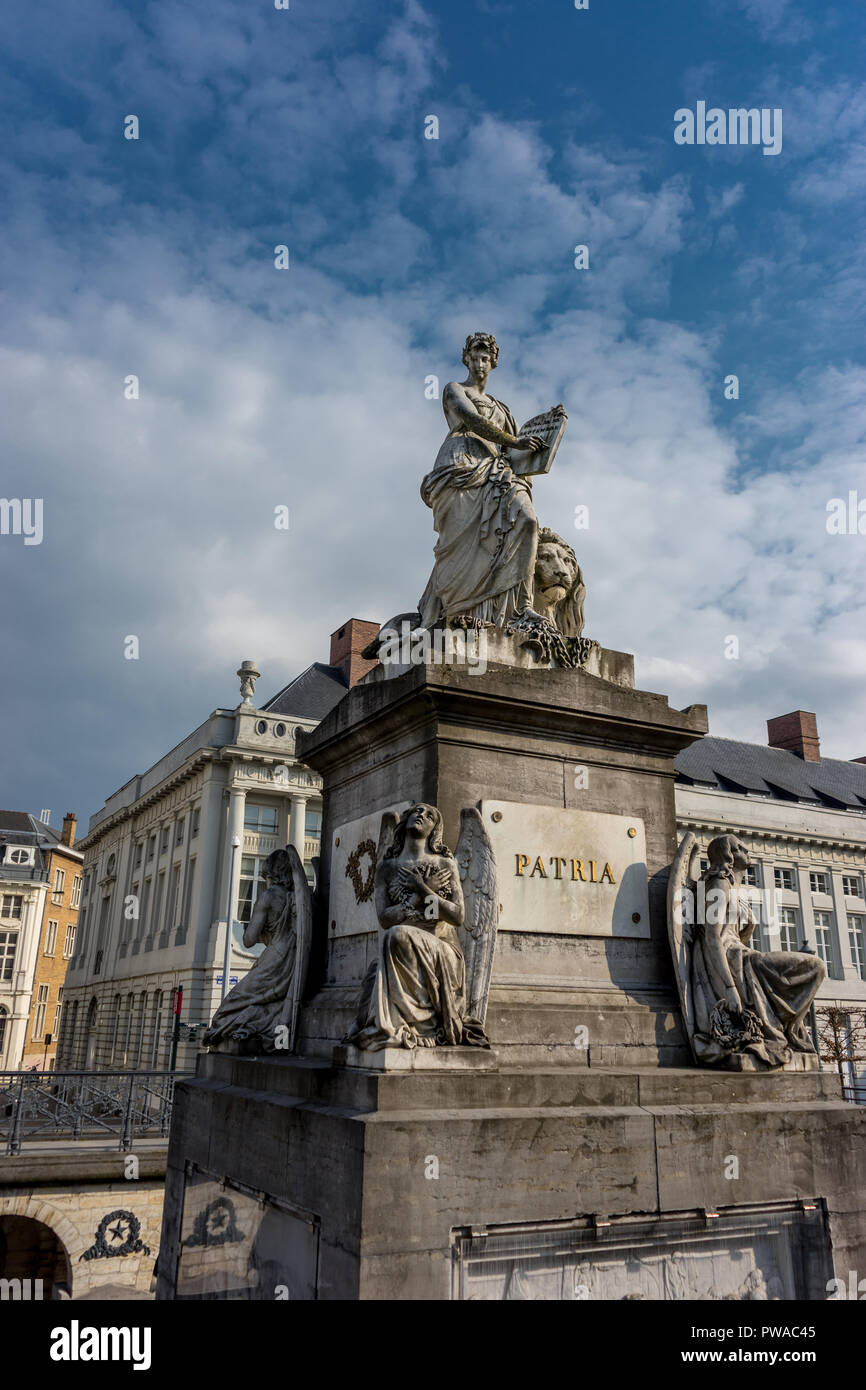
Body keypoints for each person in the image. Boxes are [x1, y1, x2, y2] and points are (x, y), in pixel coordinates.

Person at [418, 332, 546, 629]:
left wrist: (539, 451)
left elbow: (516, 455)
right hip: (459, 467)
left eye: (485, 359)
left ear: (494, 363)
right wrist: (515, 441)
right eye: (474, 358)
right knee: (458, 543)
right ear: (466, 359)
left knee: (527, 521)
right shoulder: (454, 389)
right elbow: (472, 420)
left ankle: (522, 606)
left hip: (498, 473)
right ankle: (456, 611)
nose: (479, 364)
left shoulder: (502, 408)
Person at [344, 804, 488, 1050]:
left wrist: (423, 888)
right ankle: (397, 1029)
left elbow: (457, 916)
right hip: (400, 946)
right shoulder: (387, 868)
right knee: (376, 970)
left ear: (434, 830)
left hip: (442, 949)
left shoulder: (444, 864)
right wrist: (416, 896)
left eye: (430, 815)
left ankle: (422, 1027)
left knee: (398, 935)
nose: (422, 815)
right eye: (416, 811)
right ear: (406, 820)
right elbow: (384, 918)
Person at [690, 835, 825, 1068]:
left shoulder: (735, 888)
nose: (747, 850)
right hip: (733, 959)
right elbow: (712, 938)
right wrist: (731, 987)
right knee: (815, 966)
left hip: (742, 955)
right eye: (740, 848)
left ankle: (788, 1030)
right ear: (728, 855)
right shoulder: (719, 884)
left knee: (816, 968)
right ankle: (788, 1031)